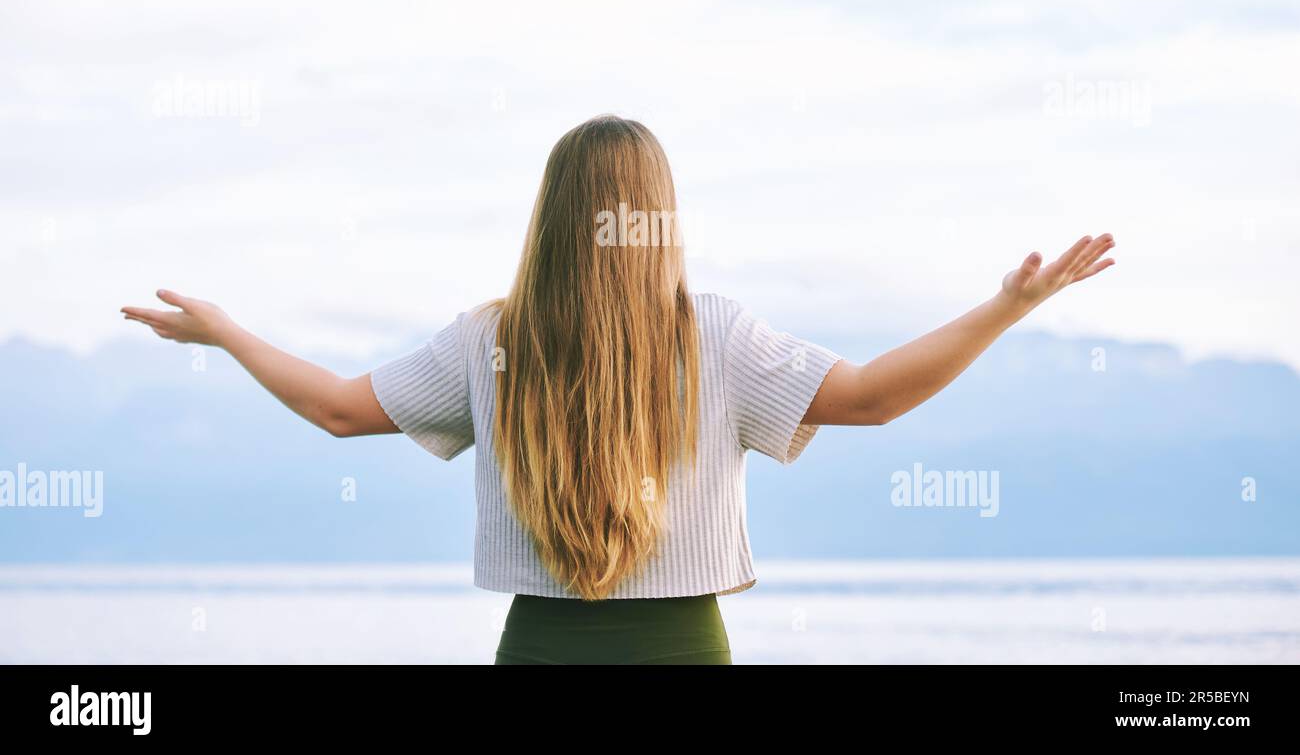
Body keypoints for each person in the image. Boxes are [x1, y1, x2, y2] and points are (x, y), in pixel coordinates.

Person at [122, 114, 1115, 664]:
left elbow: (338, 408)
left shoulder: (490, 339)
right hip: (685, 647)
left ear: (551, 213)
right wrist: (1002, 308)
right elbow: (872, 396)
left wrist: (225, 331)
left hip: (539, 650)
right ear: (658, 216)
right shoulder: (715, 334)